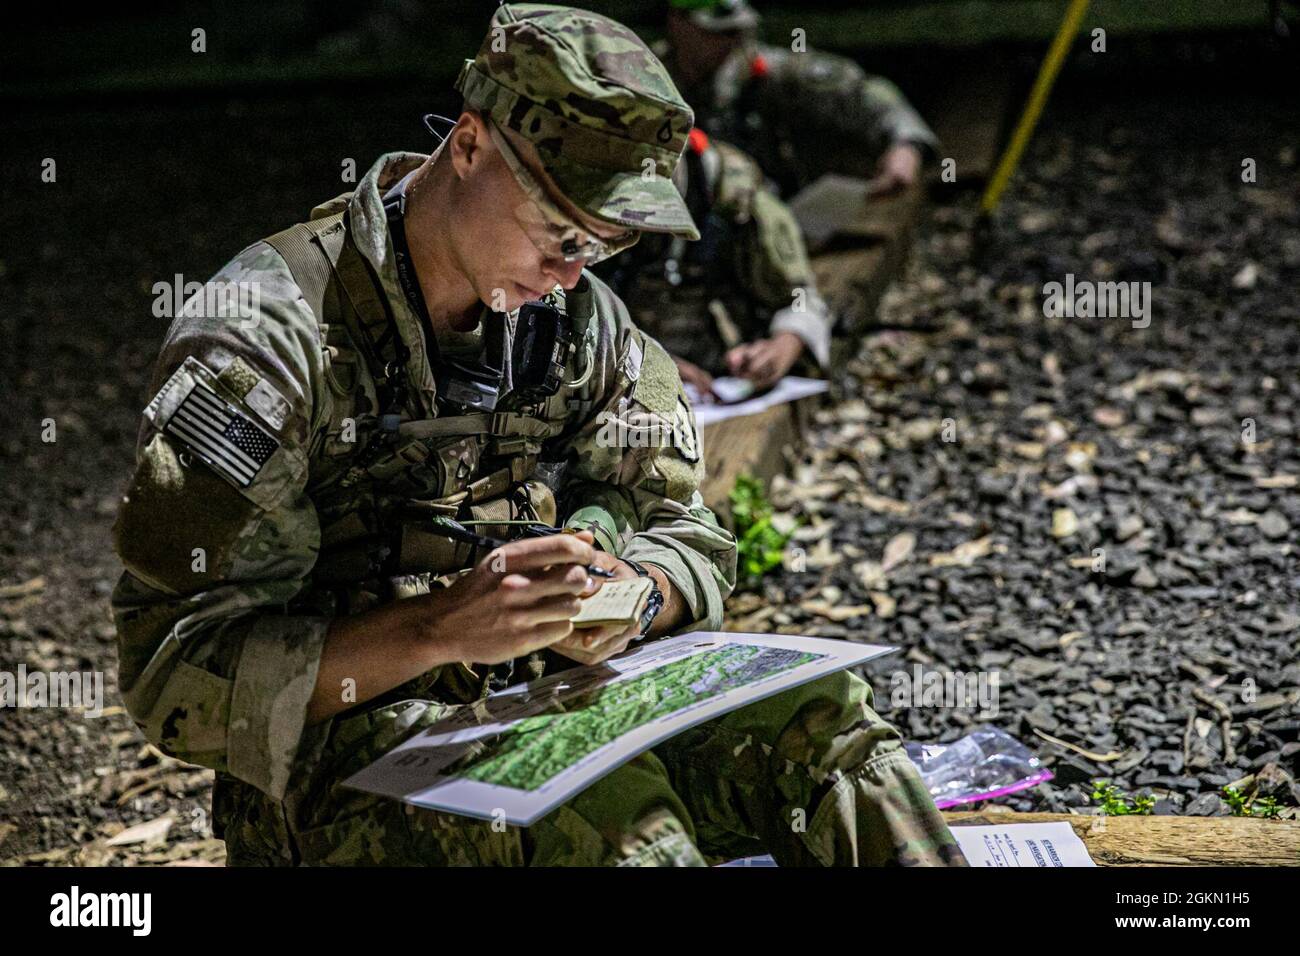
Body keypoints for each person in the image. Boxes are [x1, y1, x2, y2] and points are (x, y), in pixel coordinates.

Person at [111, 3, 964, 867]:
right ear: (471, 145)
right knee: (627, 830)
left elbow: (685, 525)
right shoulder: (267, 338)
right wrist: (440, 630)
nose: (572, 270)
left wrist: (622, 585)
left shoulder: (578, 320)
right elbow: (171, 673)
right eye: (559, 230)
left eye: (605, 241)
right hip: (344, 768)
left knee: (833, 732)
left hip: (548, 699)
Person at [599, 128, 832, 396]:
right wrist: (639, 361)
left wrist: (787, 342)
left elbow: (800, 295)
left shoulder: (733, 195)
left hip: (718, 378)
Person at [659, 0, 939, 199]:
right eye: (717, 32)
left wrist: (908, 145)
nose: (730, 43)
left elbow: (866, 94)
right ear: (678, 23)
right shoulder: (644, 75)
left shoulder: (772, 72)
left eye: (736, 32)